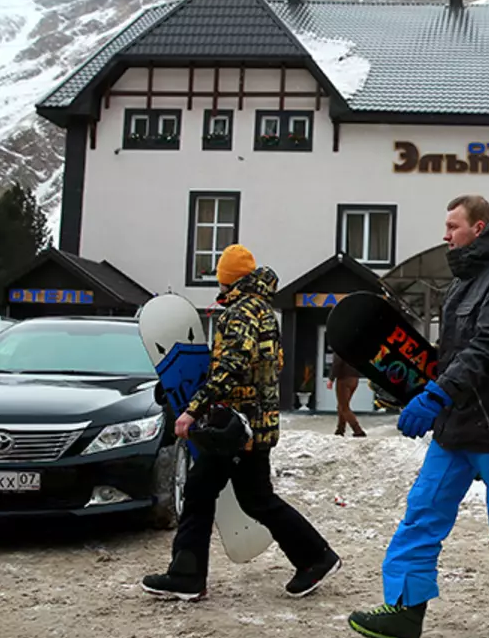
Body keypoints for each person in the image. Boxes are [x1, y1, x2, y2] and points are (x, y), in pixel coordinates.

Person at [347, 195, 489, 638]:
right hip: (455, 428)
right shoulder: (464, 282)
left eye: (453, 226)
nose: (445, 235)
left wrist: (436, 394)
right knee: (422, 513)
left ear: (478, 228)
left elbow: (488, 351)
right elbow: (451, 357)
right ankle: (404, 610)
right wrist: (411, 388)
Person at [141, 244, 342, 601]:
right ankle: (314, 556)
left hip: (234, 428)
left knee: (211, 494)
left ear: (227, 278)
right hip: (250, 424)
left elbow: (230, 368)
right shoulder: (261, 308)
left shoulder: (241, 312)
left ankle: (188, 574)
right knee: (248, 497)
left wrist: (193, 409)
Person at [327, 352, 367, 437]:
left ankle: (358, 430)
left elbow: (337, 363)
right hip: (355, 379)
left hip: (343, 379)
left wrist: (331, 379)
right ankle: (340, 430)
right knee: (342, 405)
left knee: (344, 407)